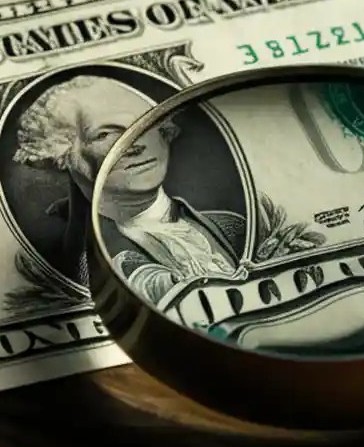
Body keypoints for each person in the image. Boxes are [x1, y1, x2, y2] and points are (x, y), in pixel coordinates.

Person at [13, 75, 245, 303]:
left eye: (147, 124)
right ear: (61, 155)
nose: (137, 145)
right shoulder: (84, 268)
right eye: (104, 135)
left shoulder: (233, 227)